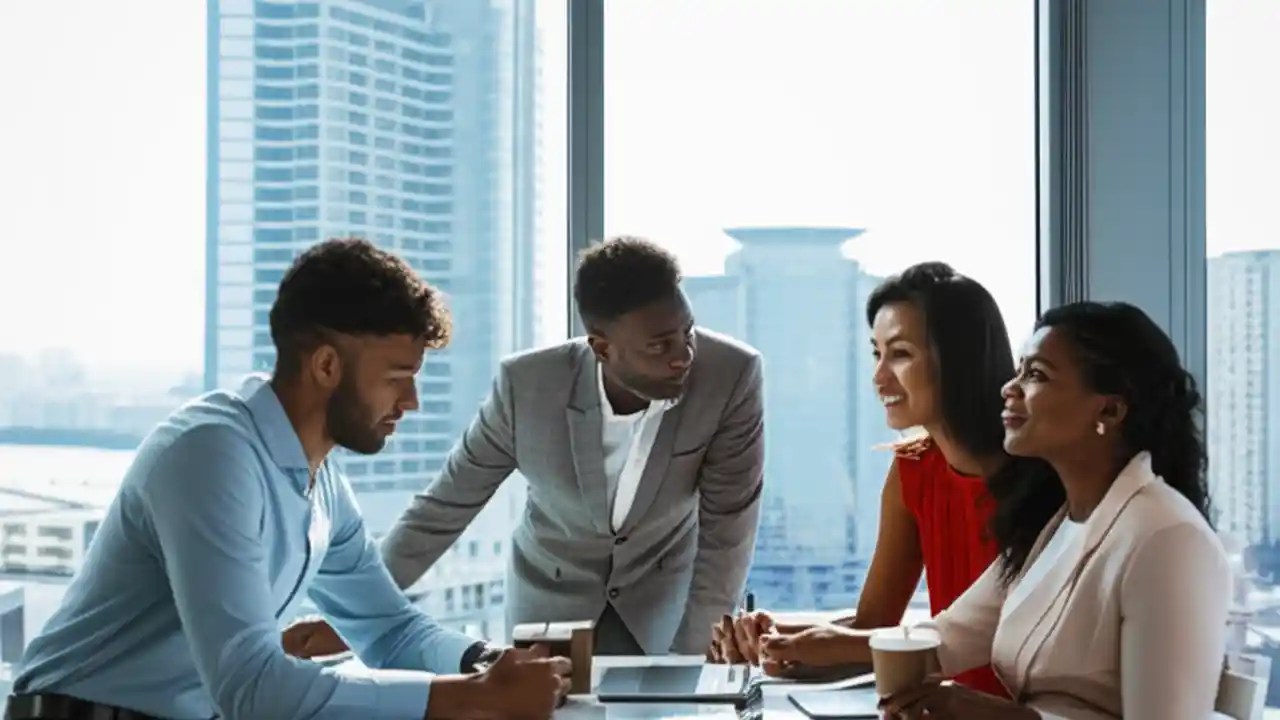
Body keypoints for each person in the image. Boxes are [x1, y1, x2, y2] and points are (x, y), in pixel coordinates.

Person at [5, 239, 569, 720]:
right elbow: (253, 688)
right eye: (397, 377)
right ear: (326, 366)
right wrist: (474, 697)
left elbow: (389, 629)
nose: (411, 400)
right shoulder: (211, 455)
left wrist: (489, 663)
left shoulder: (321, 482)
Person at [284, 236, 764, 659]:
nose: (683, 356)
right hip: (549, 616)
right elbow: (443, 509)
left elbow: (727, 534)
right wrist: (358, 618)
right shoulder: (528, 385)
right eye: (659, 346)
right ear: (601, 347)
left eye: (687, 332)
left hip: (666, 609)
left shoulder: (731, 376)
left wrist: (692, 661)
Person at [811, 301, 1227, 719]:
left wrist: (998, 716)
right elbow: (950, 636)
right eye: (1020, 370)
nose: (1009, 388)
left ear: (1108, 410)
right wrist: (810, 646)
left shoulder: (1167, 539)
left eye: (1036, 375)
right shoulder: (1059, 523)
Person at [709, 261, 1014, 697]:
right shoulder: (913, 469)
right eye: (877, 353)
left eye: (901, 354)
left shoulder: (1040, 477)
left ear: (961, 359)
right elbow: (873, 625)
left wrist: (799, 644)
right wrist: (773, 640)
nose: (879, 377)